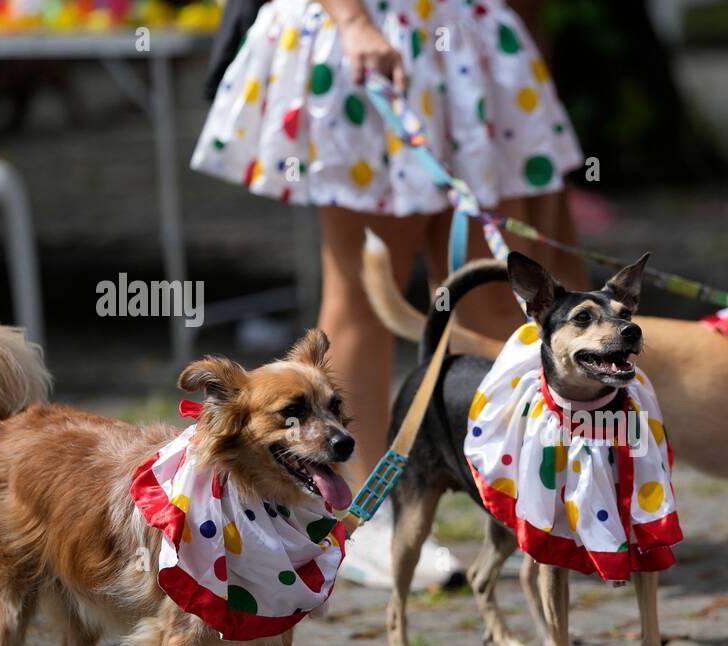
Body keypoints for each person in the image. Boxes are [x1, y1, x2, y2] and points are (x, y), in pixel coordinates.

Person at [191, 0, 586, 588]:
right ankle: (359, 515)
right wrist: (352, 22)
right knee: (362, 297)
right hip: (371, 38)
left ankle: (532, 494)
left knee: (495, 295)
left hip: (462, 40)